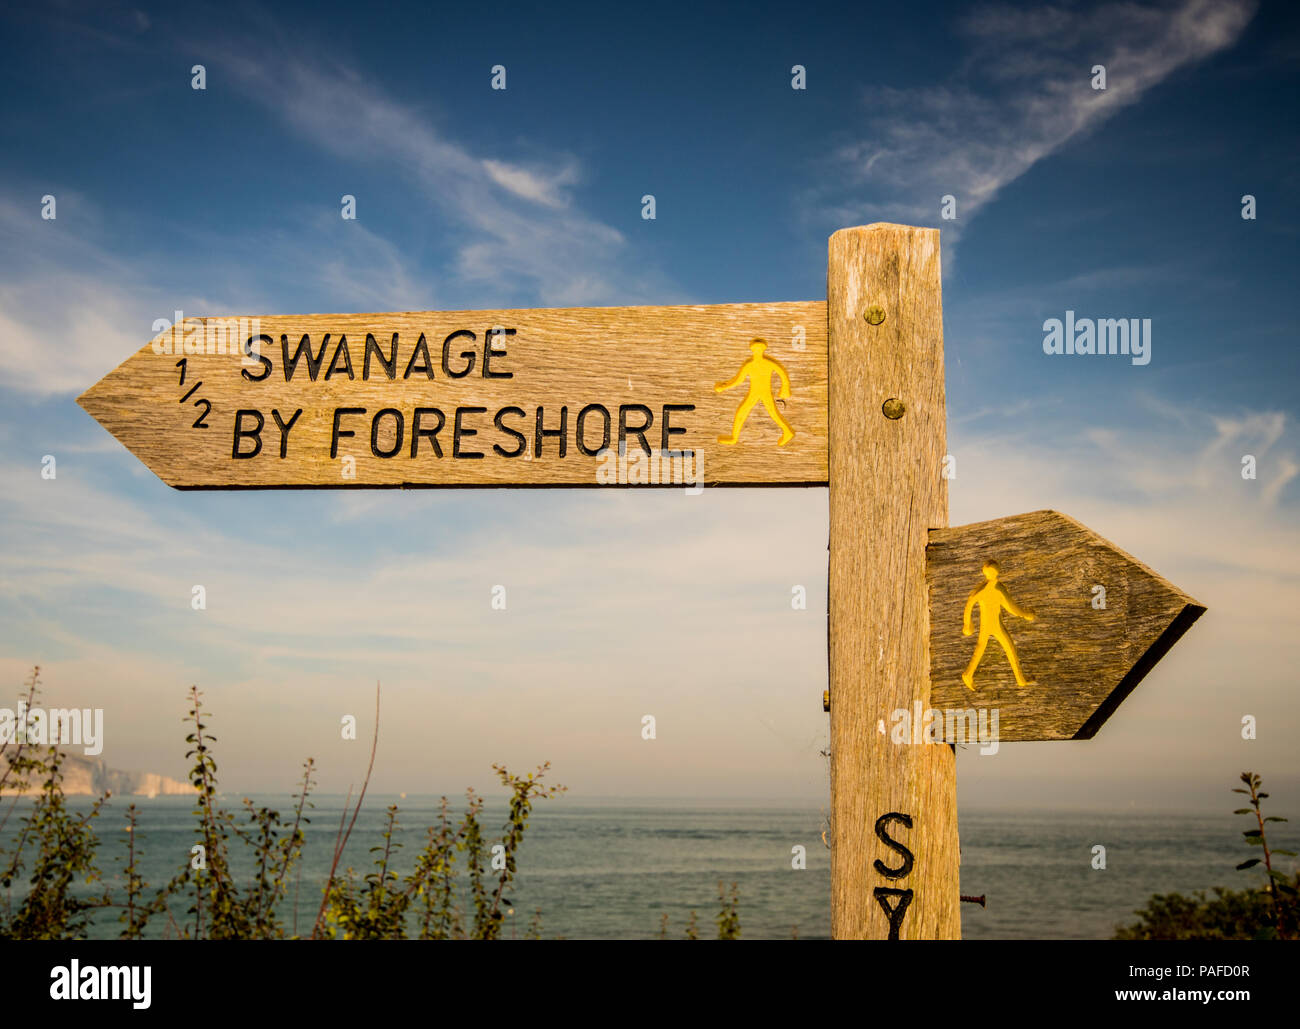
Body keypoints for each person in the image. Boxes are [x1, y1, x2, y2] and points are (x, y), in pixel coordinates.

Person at [962, 560, 1036, 689]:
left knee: (981, 648)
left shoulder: (981, 589)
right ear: (998, 572)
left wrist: (967, 624)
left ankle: (968, 674)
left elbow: (970, 604)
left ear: (984, 571)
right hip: (995, 625)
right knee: (1010, 649)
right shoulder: (998, 588)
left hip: (986, 625)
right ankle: (1020, 679)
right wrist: (1025, 614)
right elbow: (1011, 607)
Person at [715, 338, 795, 446]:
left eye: (759, 350)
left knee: (773, 414)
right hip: (754, 393)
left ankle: (788, 432)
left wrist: (785, 387)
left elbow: (782, 374)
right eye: (755, 350)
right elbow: (738, 380)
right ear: (753, 351)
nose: (757, 352)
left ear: (762, 351)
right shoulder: (749, 365)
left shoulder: (768, 363)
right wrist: (724, 387)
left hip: (764, 393)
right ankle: (734, 438)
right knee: (742, 412)